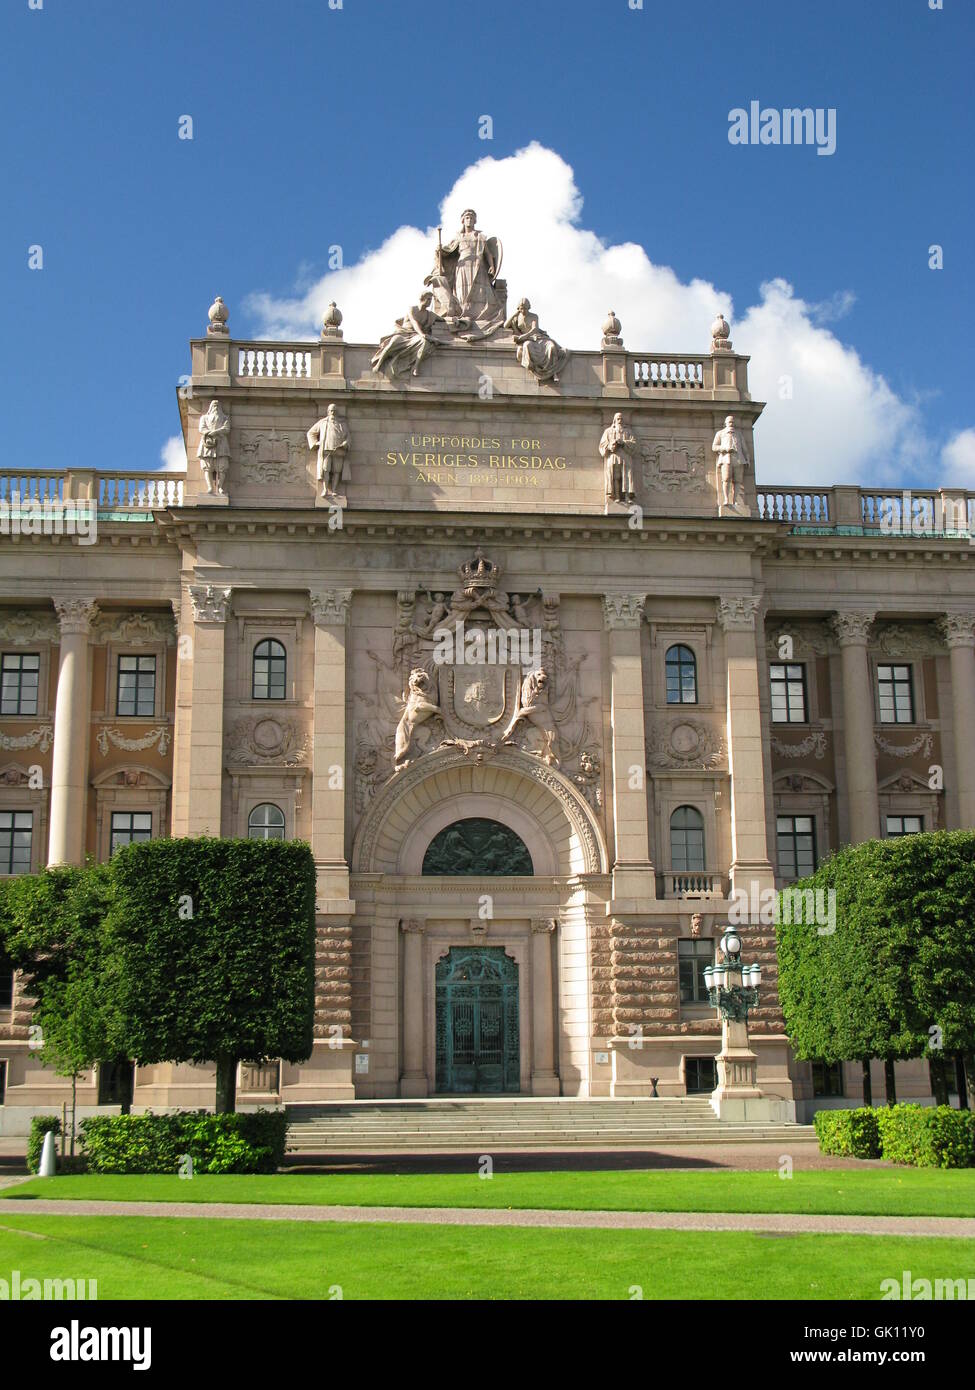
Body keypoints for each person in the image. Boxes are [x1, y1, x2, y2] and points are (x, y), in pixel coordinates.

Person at [505, 299, 569, 384]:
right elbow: (505, 325)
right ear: (519, 308)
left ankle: (553, 372)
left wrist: (523, 337)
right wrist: (515, 314)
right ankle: (535, 370)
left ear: (529, 307)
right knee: (527, 346)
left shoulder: (534, 316)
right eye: (522, 308)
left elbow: (534, 329)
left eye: (526, 308)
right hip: (528, 340)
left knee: (551, 347)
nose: (524, 310)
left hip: (538, 337)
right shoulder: (517, 317)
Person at [306, 404, 350, 498]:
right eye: (331, 411)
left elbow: (348, 437)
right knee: (326, 469)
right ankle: (325, 489)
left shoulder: (342, 424)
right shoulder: (322, 422)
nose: (333, 412)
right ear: (328, 412)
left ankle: (334, 490)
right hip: (326, 449)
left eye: (334, 411)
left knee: (337, 471)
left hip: (338, 450)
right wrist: (315, 443)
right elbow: (311, 433)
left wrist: (346, 443)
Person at [599, 412, 637, 503]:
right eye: (618, 419)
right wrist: (611, 445)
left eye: (621, 419)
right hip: (614, 456)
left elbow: (634, 444)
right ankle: (617, 496)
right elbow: (602, 445)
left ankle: (627, 497)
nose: (620, 421)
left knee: (626, 476)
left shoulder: (628, 431)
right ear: (614, 420)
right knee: (616, 476)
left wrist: (623, 442)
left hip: (625, 456)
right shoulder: (608, 431)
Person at [197, 399, 231, 495]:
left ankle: (220, 487)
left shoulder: (225, 417)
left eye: (217, 405)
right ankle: (210, 487)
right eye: (214, 405)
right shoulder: (204, 417)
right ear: (211, 407)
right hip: (208, 443)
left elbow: (226, 428)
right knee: (207, 466)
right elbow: (201, 428)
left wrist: (216, 432)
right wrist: (209, 433)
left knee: (222, 466)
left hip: (221, 443)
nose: (215, 406)